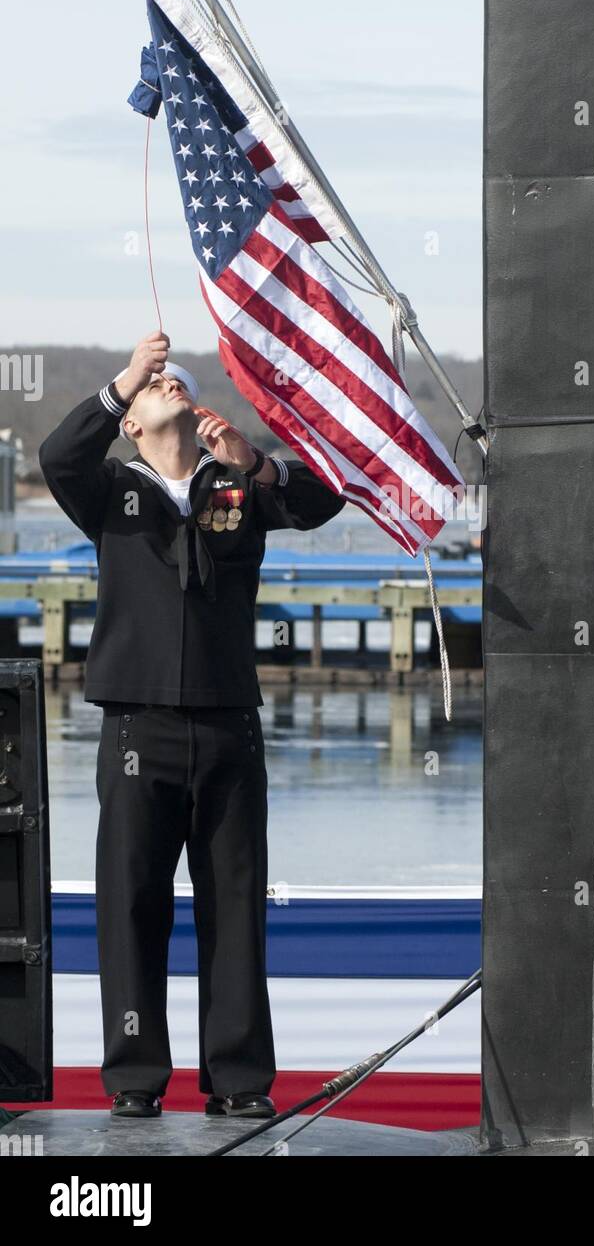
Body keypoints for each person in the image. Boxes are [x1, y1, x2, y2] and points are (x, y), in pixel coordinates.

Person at [38, 330, 346, 1119]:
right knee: (133, 902)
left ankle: (239, 1079)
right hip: (139, 729)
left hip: (228, 728)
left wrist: (260, 465)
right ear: (133, 424)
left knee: (235, 904)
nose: (169, 384)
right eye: (154, 388)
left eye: (172, 379)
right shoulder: (108, 488)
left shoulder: (232, 485)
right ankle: (135, 1079)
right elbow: (57, 456)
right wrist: (121, 381)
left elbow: (325, 498)